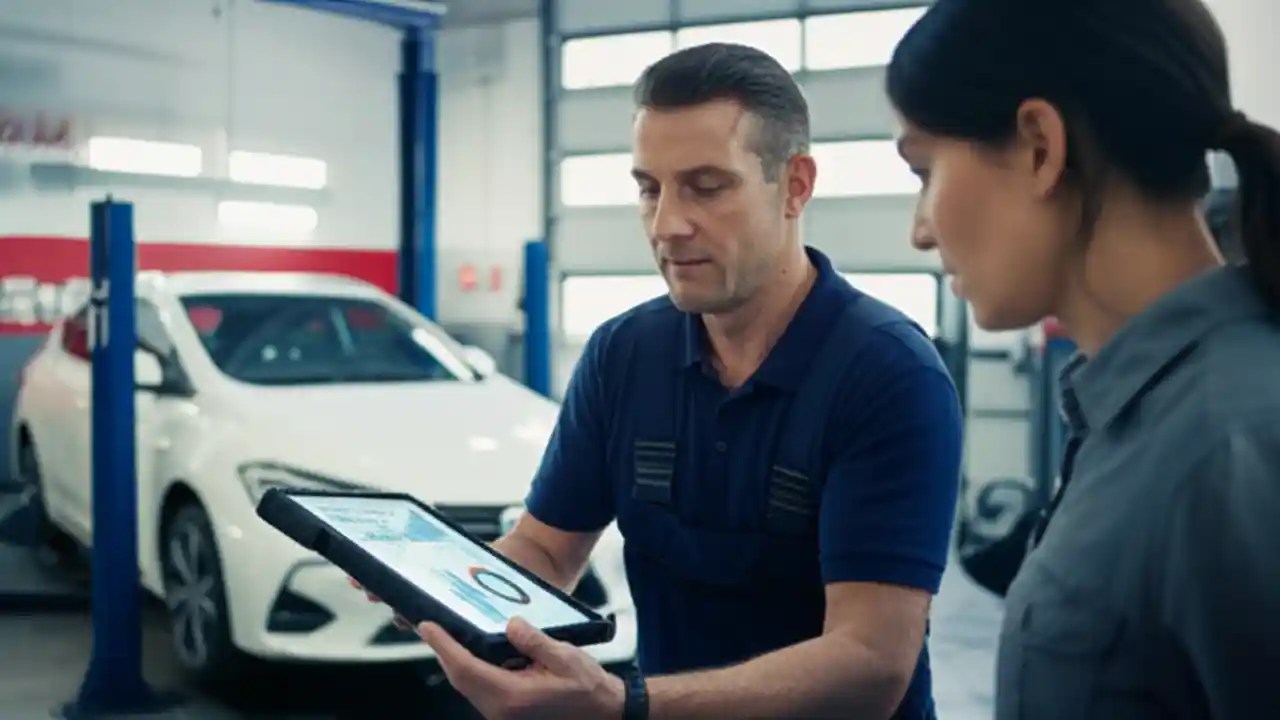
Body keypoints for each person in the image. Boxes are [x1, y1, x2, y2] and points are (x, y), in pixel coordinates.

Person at [359, 42, 964, 718]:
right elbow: (544, 548)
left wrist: (627, 705)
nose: (667, 224)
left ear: (795, 185)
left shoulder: (887, 374)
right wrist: (447, 588)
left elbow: (871, 665)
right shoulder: (624, 354)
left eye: (706, 187)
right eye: (650, 188)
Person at [886, 0, 1280, 717]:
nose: (920, 231)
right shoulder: (1136, 418)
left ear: (1040, 146)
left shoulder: (1232, 445)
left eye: (923, 170)